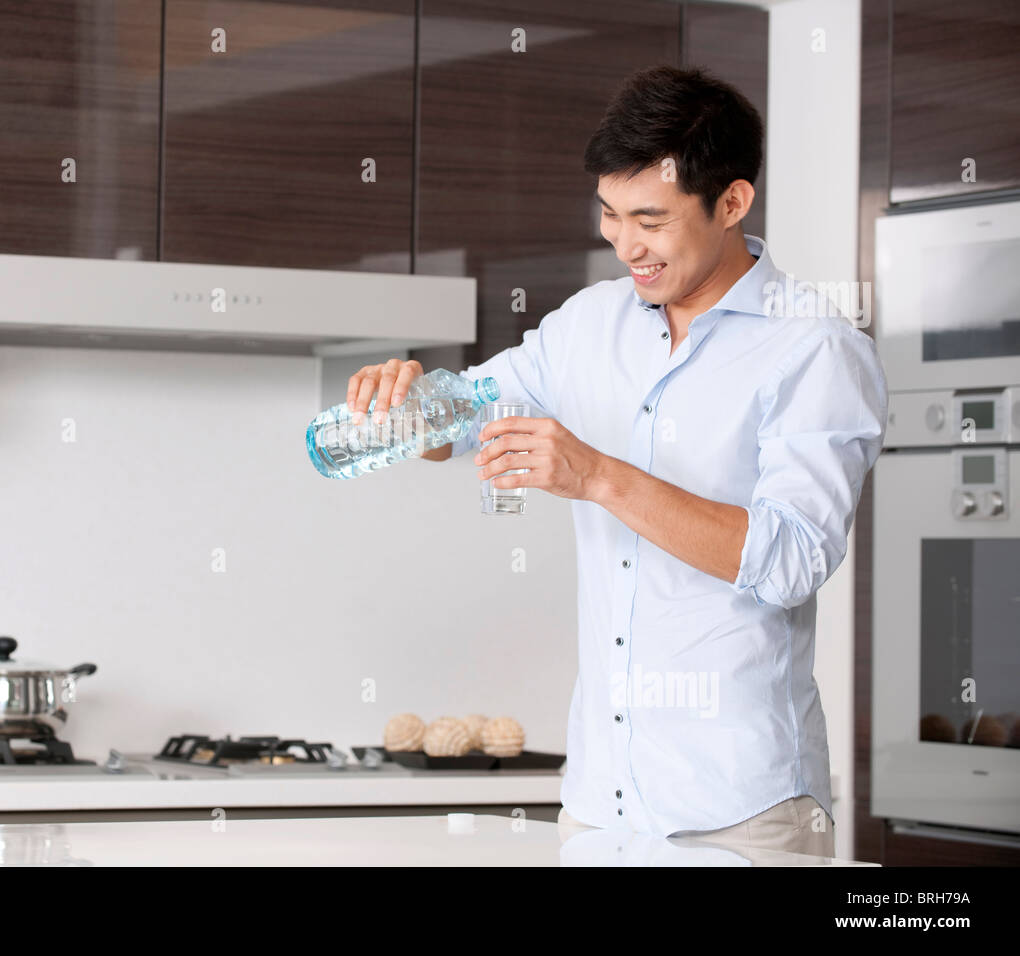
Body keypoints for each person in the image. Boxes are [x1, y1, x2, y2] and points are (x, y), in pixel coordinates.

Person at [345, 65, 887, 858]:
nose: (625, 243)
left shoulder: (815, 349)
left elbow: (791, 559)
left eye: (651, 219)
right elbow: (463, 417)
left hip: (737, 813)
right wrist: (409, 403)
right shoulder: (590, 324)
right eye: (608, 213)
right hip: (601, 806)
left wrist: (597, 476)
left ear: (732, 203)